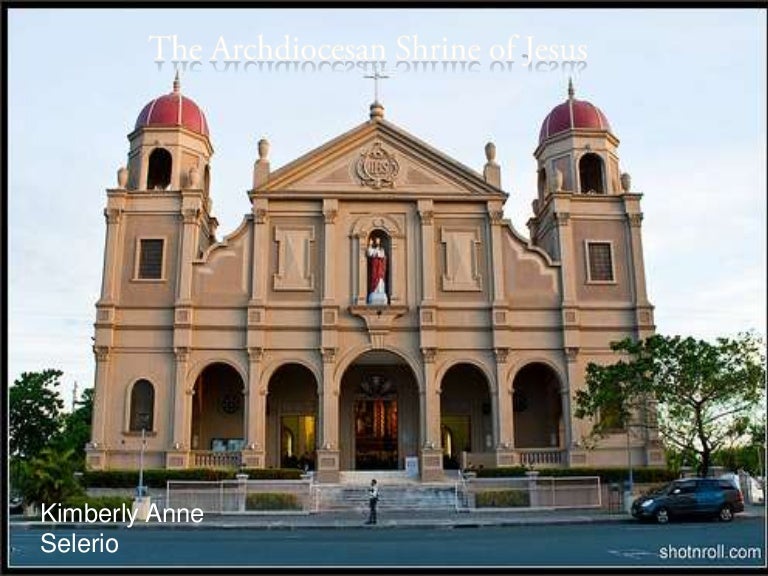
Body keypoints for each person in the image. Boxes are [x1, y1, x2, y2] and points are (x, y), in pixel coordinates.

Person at [367, 236, 388, 304]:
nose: (377, 242)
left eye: (378, 240)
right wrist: (370, 245)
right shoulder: (373, 249)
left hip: (380, 268)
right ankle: (374, 291)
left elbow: (382, 255)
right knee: (374, 278)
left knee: (380, 280)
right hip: (374, 267)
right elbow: (369, 253)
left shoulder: (381, 249)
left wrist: (377, 254)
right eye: (376, 240)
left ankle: (380, 291)